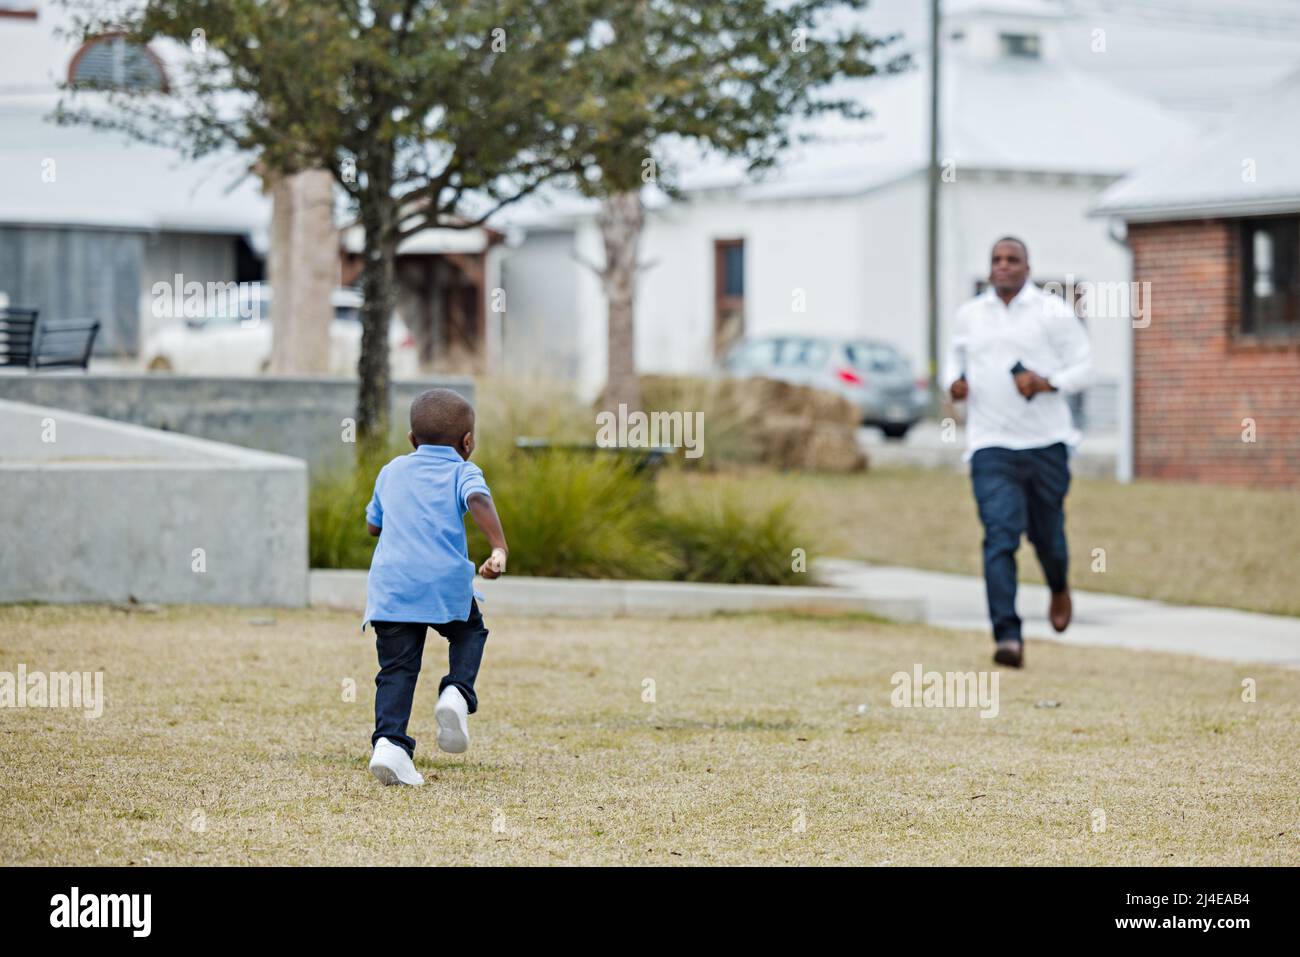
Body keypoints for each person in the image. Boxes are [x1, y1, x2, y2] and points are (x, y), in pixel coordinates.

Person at [943, 237, 1093, 668]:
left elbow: (1085, 368)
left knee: (1048, 539)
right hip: (990, 445)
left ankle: (1059, 585)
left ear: (1028, 266)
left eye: (1012, 260)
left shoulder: (1052, 312)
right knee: (999, 537)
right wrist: (955, 384)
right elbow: (954, 364)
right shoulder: (969, 315)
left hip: (1046, 444)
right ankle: (1008, 636)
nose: (1003, 266)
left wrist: (1046, 382)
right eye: (996, 260)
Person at [362, 388, 509, 786]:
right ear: (468, 442)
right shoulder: (463, 471)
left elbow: (373, 525)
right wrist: (498, 546)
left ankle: (390, 745)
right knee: (469, 631)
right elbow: (476, 498)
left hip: (392, 588)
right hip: (442, 583)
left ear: (412, 439)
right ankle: (457, 693)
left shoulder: (391, 471)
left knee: (396, 669)